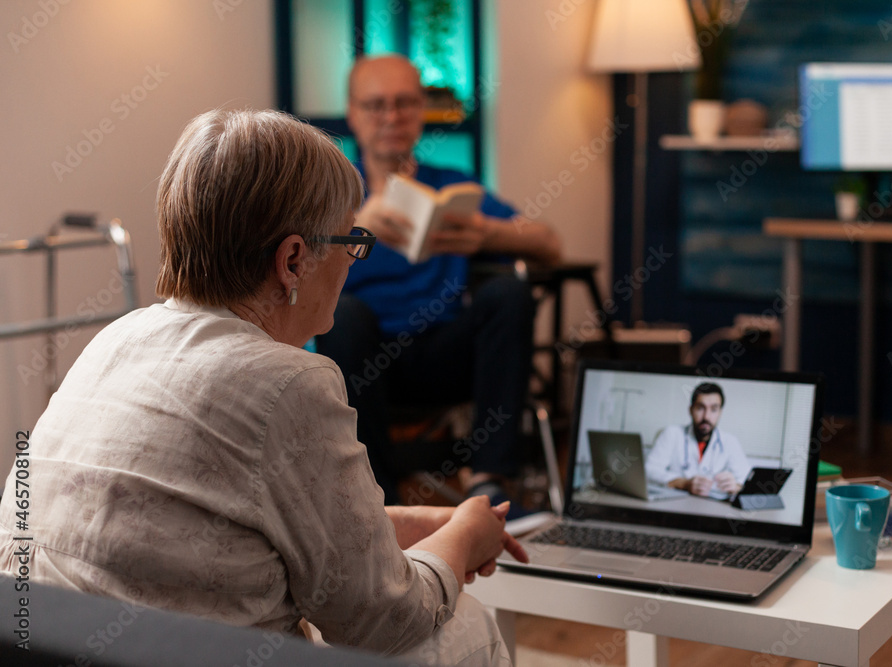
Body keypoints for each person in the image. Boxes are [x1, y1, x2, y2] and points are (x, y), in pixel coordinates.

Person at [0, 109, 527, 666]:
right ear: (293, 260)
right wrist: (467, 533)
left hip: (45, 643)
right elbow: (383, 622)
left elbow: (215, 522)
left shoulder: (114, 340)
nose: (353, 260)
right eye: (352, 241)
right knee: (465, 624)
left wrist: (404, 523)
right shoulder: (287, 381)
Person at [314, 54, 562, 507]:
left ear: (421, 111)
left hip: (447, 353)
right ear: (352, 114)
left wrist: (488, 232)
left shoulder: (452, 185)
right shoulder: (329, 195)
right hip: (365, 364)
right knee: (344, 318)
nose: (392, 116)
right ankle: (380, 503)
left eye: (405, 103)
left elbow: (549, 243)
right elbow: (296, 277)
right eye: (376, 105)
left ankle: (489, 482)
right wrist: (355, 228)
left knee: (509, 293)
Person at [645, 382, 751, 497]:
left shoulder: (730, 441)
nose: (706, 416)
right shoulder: (671, 433)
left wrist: (737, 486)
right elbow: (649, 471)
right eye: (700, 408)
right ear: (691, 410)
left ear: (720, 413)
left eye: (714, 409)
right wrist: (684, 483)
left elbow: (748, 479)